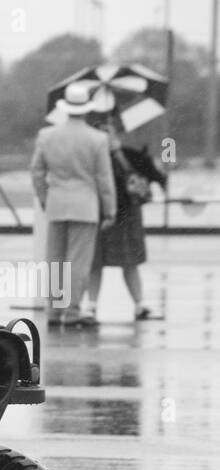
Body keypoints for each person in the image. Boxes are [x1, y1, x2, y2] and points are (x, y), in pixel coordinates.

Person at [30, 83, 117, 328]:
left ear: (65, 108)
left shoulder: (47, 136)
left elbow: (37, 171)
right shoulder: (98, 139)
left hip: (57, 202)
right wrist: (109, 208)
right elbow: (104, 177)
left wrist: (44, 196)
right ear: (87, 109)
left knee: (55, 259)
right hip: (85, 205)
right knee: (78, 261)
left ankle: (54, 310)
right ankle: (73, 310)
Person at [86, 116, 167, 321]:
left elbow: (156, 176)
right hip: (99, 213)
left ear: (116, 133)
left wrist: (118, 153)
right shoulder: (90, 158)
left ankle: (140, 305)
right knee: (95, 262)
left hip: (126, 214)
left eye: (109, 131)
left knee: (130, 262)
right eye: (101, 131)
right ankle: (91, 306)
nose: (105, 136)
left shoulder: (131, 155)